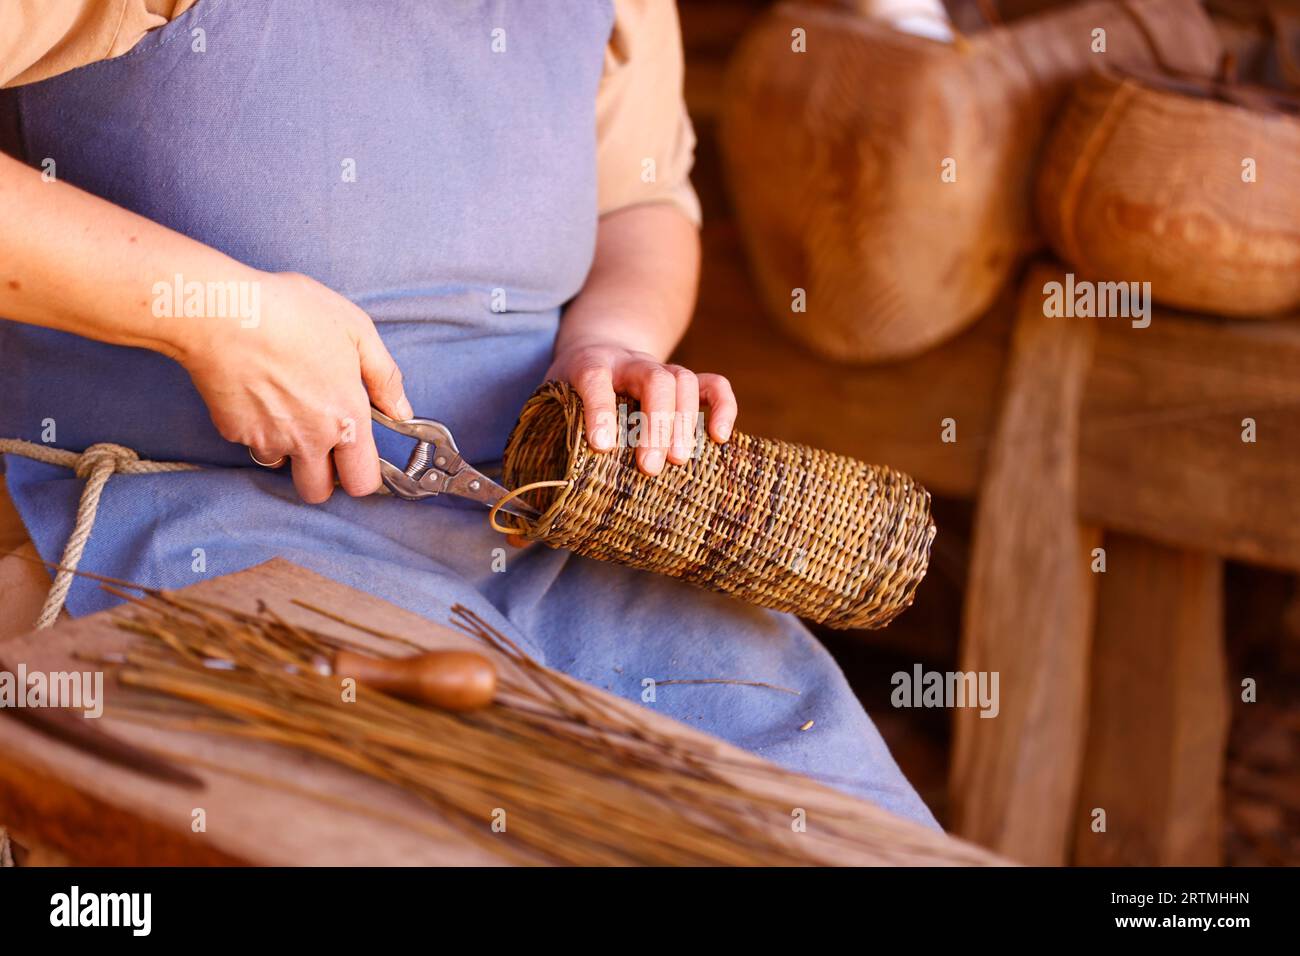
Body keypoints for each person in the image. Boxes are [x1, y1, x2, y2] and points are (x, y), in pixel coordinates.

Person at [0, 0, 935, 825]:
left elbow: (642, 200)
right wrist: (212, 315)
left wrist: (606, 342)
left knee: (836, 823)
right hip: (191, 515)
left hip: (554, 531)